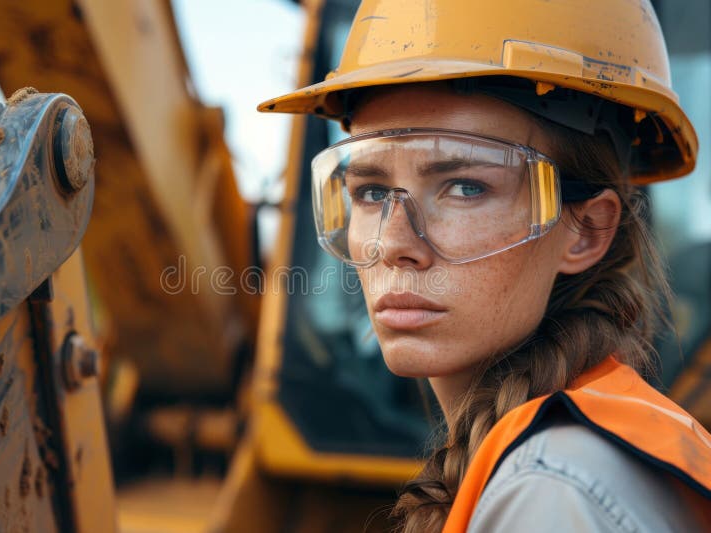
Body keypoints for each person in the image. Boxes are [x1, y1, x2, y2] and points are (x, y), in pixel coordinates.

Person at [259, 0, 711, 531]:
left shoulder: (552, 490)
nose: (394, 244)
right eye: (371, 191)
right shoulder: (567, 462)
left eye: (465, 187)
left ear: (587, 230)